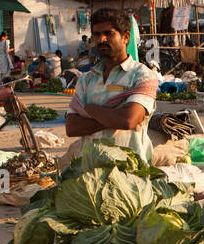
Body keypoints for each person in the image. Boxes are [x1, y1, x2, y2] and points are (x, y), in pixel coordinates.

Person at [66, 8, 160, 163]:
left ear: (126, 37)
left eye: (108, 33)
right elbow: (72, 127)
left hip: (130, 169)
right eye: (96, 34)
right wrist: (113, 116)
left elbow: (128, 120)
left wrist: (90, 109)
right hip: (91, 169)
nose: (101, 39)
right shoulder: (87, 79)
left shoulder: (141, 75)